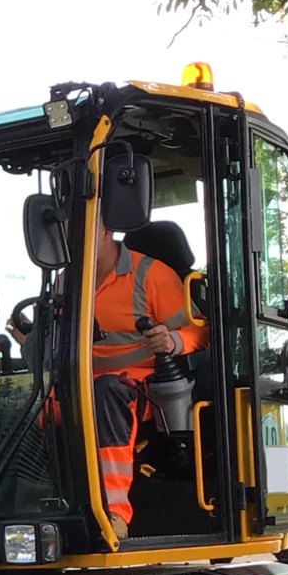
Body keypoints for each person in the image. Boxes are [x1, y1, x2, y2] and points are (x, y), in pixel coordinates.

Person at [90, 224, 208, 538]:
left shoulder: (151, 274)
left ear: (104, 230)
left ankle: (113, 514)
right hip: (79, 385)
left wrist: (173, 341)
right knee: (29, 403)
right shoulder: (69, 281)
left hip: (139, 388)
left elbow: (199, 330)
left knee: (105, 394)